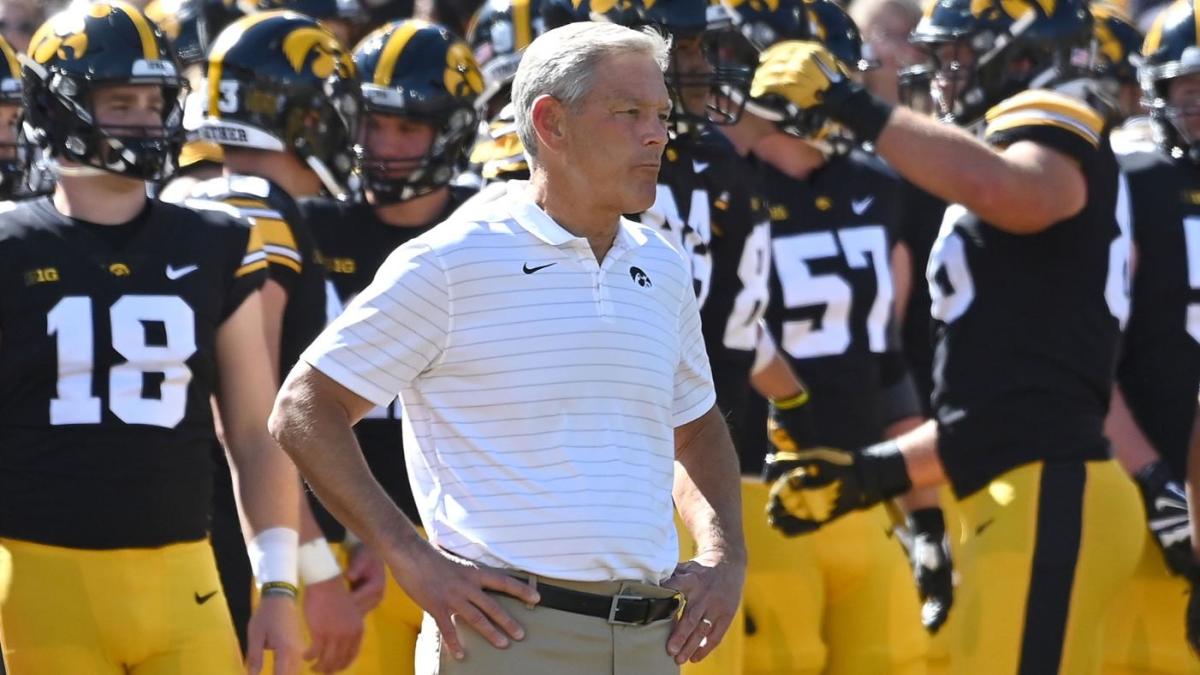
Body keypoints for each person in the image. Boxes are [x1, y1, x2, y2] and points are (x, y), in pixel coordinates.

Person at [269, 20, 746, 675]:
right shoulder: (452, 260)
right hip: (505, 640)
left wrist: (725, 555)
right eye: (629, 112)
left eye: (661, 113)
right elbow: (302, 407)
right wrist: (408, 555)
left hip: (647, 641)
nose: (657, 133)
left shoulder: (661, 263)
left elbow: (695, 430)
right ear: (551, 123)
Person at [748, 0, 1147, 670]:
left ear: (1025, 57)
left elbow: (1019, 190)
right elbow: (997, 404)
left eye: (959, 56)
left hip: (1048, 489)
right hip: (1021, 486)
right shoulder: (998, 160)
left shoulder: (1060, 107)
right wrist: (874, 472)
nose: (940, 74)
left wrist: (854, 106)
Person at [0, 2, 304, 673]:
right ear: (58, 107)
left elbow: (256, 432)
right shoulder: (11, 245)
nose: (144, 119)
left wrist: (279, 583)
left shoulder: (216, 238)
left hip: (182, 580)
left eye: (153, 99)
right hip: (40, 580)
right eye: (120, 100)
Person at [187, 11, 375, 674]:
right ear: (304, 115)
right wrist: (315, 568)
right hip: (228, 532)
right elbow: (255, 418)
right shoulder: (256, 208)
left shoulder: (192, 190)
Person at [297, 19, 482, 675]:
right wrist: (368, 533)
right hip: (349, 548)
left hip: (475, 550)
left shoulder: (492, 229)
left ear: (452, 130)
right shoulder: (307, 226)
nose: (385, 144)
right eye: (373, 124)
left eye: (408, 128)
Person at [1101, 0, 1200, 669]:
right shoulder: (1129, 186)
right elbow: (1083, 356)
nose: (1196, 106)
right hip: (1144, 496)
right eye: (1185, 90)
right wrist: (1157, 478)